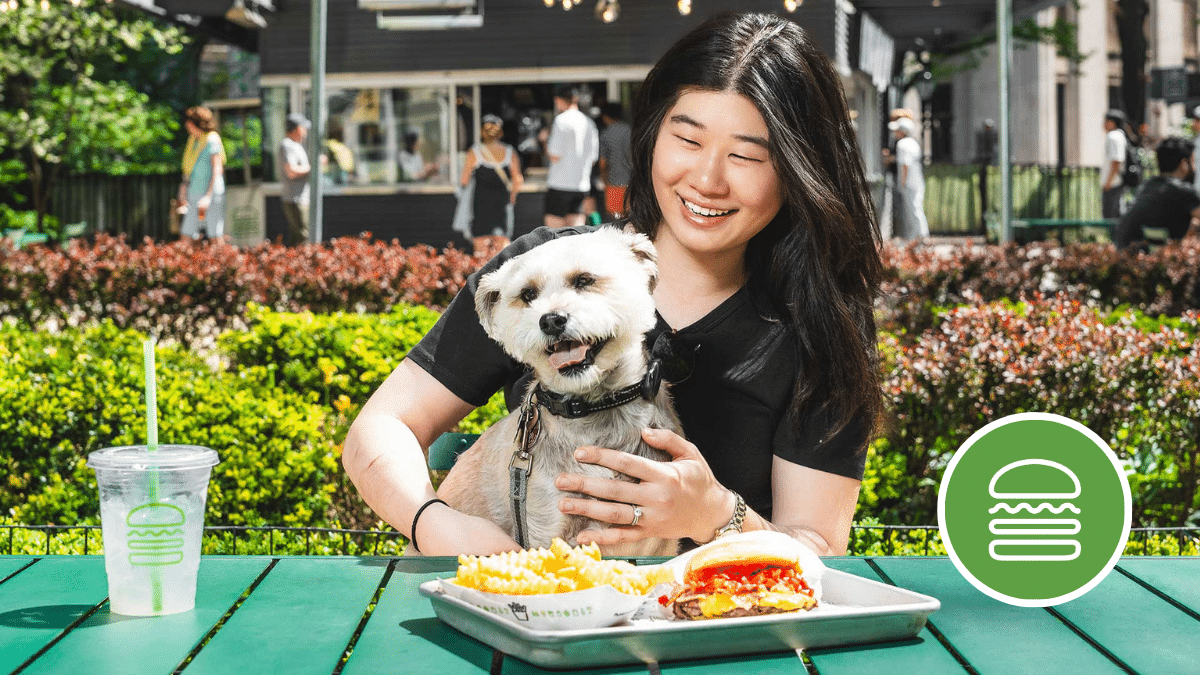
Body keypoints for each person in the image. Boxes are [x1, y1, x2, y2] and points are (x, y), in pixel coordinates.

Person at [342, 11, 884, 558]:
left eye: (745, 156)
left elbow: (818, 546)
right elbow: (382, 426)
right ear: (652, 137)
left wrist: (718, 515)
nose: (706, 180)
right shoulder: (539, 272)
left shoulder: (820, 325)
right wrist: (437, 525)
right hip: (529, 606)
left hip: (714, 611)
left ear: (798, 169)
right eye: (687, 139)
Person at [1113, 136, 1200, 250]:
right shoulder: (1183, 191)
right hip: (1150, 255)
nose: (1195, 167)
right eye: (1193, 161)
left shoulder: (1148, 185)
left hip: (1125, 251)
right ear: (1184, 164)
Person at [452, 114, 524, 251]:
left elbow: (464, 180)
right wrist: (513, 197)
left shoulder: (474, 152)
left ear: (482, 132)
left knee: (480, 248)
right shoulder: (510, 152)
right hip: (502, 203)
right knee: (502, 248)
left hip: (480, 206)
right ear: (500, 132)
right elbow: (518, 179)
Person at [543, 85, 599, 229]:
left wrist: (544, 141)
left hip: (560, 185)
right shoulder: (589, 123)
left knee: (554, 234)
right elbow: (593, 160)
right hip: (581, 185)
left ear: (558, 100)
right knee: (575, 233)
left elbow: (554, 155)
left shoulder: (561, 120)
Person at [178, 106, 226, 239]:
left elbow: (217, 169)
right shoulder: (193, 141)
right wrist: (183, 190)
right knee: (186, 235)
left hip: (211, 196)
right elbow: (188, 170)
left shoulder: (212, 140)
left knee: (215, 235)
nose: (186, 126)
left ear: (196, 123)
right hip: (194, 196)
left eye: (188, 122)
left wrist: (208, 197)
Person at [888, 116, 929, 239]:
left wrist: (902, 183)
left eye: (897, 131)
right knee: (916, 208)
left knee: (913, 210)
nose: (895, 133)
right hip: (917, 180)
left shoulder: (902, 144)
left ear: (903, 131)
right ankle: (920, 236)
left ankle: (919, 237)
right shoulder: (913, 143)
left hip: (909, 182)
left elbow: (905, 165)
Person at [280, 113, 312, 245]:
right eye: (303, 128)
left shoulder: (296, 145)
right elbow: (291, 171)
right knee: (303, 237)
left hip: (300, 197)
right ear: (297, 129)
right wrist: (313, 168)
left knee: (297, 239)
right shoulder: (288, 145)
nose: (305, 131)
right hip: (295, 199)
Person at [598, 102, 633, 219]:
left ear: (605, 116)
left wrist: (603, 179)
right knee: (631, 220)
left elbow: (603, 163)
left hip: (614, 182)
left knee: (616, 220)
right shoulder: (630, 131)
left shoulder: (606, 134)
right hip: (633, 184)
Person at [1102, 109, 1128, 219]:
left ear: (1112, 122)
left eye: (1105, 121)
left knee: (1111, 217)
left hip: (1113, 183)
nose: (1103, 124)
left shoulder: (1113, 136)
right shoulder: (1120, 135)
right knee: (1116, 214)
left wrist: (1108, 182)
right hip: (1117, 182)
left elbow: (1117, 160)